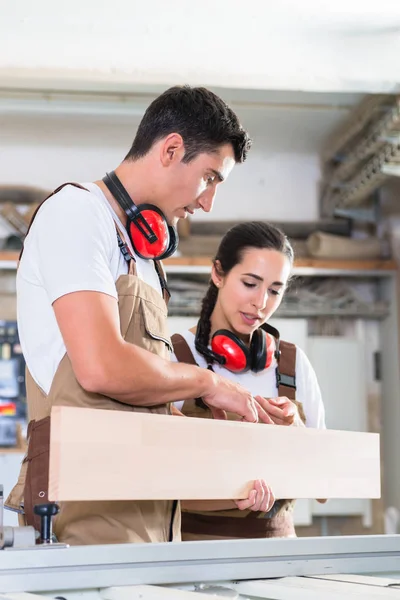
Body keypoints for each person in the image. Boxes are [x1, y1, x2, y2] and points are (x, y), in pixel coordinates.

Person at [5, 86, 275, 546]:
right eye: (210, 178)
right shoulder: (77, 214)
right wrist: (210, 382)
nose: (208, 203)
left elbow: (150, 418)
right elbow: (101, 367)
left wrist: (232, 485)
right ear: (171, 149)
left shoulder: (146, 259)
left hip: (148, 517)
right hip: (84, 510)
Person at [171, 221, 326, 541]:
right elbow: (147, 480)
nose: (261, 303)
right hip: (190, 550)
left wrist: (297, 430)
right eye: (250, 283)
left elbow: (323, 487)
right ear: (218, 273)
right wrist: (230, 493)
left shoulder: (293, 364)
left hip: (279, 551)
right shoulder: (173, 358)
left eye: (274, 290)